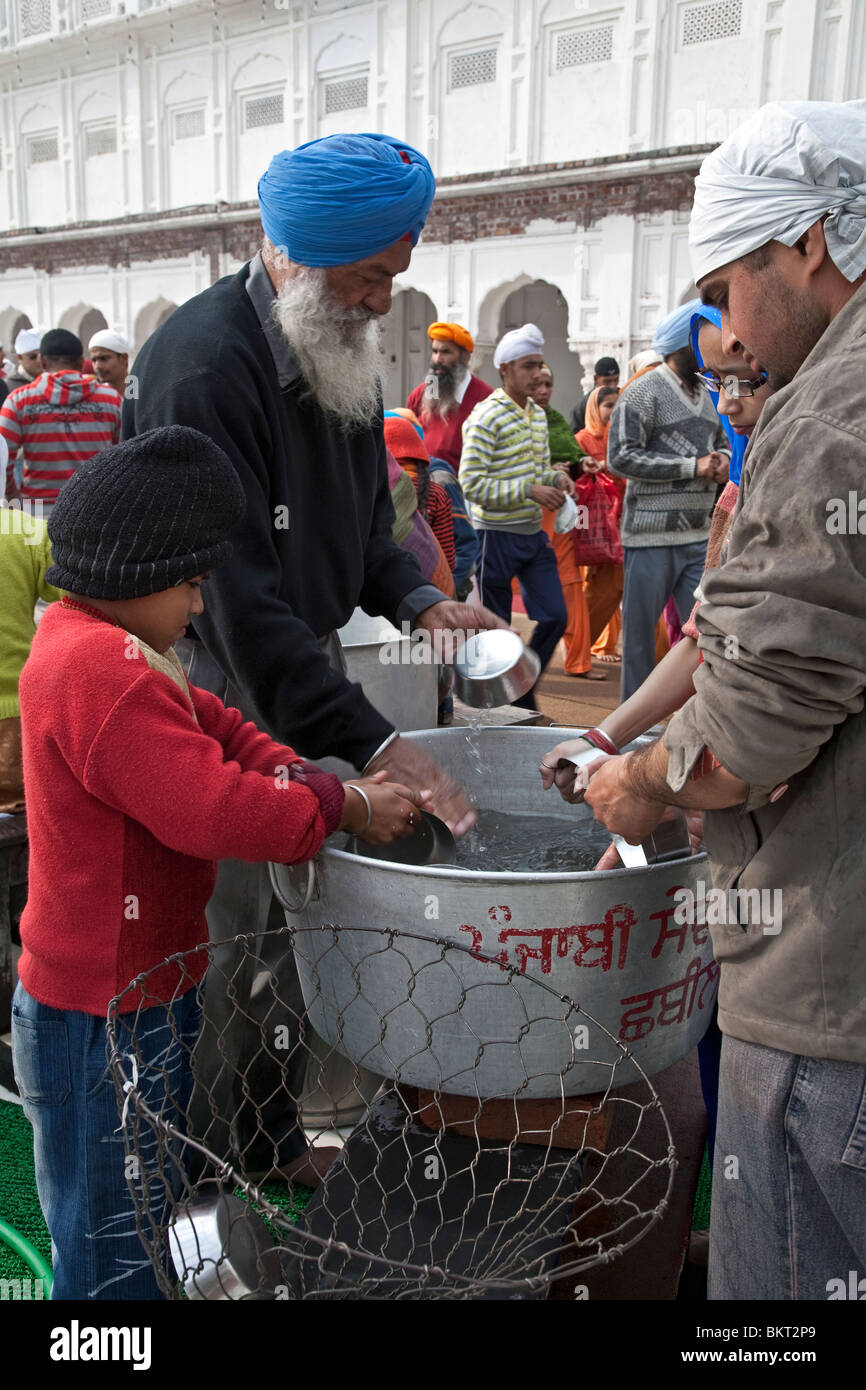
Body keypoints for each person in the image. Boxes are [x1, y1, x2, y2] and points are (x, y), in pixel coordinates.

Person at [122, 132, 504, 1183]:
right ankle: (196, 1172)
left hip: (300, 666)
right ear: (296, 255)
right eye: (370, 275)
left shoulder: (327, 341)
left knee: (303, 928)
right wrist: (382, 745)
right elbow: (239, 610)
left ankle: (268, 1136)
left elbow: (355, 534)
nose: (386, 302)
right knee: (232, 935)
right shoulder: (201, 368)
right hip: (211, 684)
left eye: (395, 277)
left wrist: (421, 597)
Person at [11, 425, 427, 1300]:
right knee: (111, 1234)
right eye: (193, 585)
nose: (201, 606)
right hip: (106, 1019)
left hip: (132, 995)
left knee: (140, 1191)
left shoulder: (112, 645)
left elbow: (213, 723)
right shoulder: (105, 675)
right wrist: (342, 803)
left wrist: (291, 767)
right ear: (138, 574)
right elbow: (211, 809)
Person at [574, 98, 866, 1301]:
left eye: (728, 287)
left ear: (805, 244)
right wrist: (621, 731)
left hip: (825, 984)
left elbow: (746, 728)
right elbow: (727, 633)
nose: (729, 339)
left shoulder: (834, 417)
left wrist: (633, 786)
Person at [607, 299, 730, 701]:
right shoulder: (643, 392)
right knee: (640, 641)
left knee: (703, 634)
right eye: (699, 341)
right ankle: (629, 737)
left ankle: (695, 723)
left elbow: (722, 442)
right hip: (650, 536)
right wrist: (692, 467)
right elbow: (620, 457)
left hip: (698, 534)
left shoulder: (708, 391)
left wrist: (722, 461)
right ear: (682, 345)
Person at [461, 323, 575, 710]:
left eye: (540, 365)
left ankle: (521, 692)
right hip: (493, 535)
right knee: (497, 631)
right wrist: (529, 490)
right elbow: (471, 484)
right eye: (528, 366)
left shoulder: (536, 415)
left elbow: (537, 470)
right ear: (505, 369)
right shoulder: (487, 416)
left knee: (556, 617)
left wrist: (556, 477)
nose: (538, 374)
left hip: (529, 533)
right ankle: (500, 707)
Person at [529, 364, 600, 681]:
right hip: (518, 520)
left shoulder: (556, 421)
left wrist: (580, 462)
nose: (543, 390)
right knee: (498, 597)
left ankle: (578, 661)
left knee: (571, 584)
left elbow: (573, 457)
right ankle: (501, 669)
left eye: (548, 384)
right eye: (537, 384)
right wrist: (545, 470)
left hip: (557, 517)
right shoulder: (510, 421)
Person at [1, 329, 122, 512]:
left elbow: (3, 461)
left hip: (38, 515)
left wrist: (13, 497)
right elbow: (125, 457)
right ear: (82, 363)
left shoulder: (19, 401)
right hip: (95, 512)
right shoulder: (111, 400)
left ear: (42, 361)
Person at [575, 385, 625, 664]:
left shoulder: (621, 439)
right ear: (595, 408)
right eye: (608, 405)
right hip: (592, 526)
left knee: (613, 588)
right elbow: (579, 483)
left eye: (618, 405)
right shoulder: (582, 439)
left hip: (620, 524)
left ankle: (594, 645)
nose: (613, 412)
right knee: (592, 586)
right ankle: (581, 646)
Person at [406, 320, 492, 471]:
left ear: (465, 358)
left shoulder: (484, 398)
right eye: (435, 351)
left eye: (446, 352)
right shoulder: (420, 393)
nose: (438, 359)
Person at [569, 354, 619, 433]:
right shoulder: (583, 405)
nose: (613, 386)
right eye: (607, 381)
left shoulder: (623, 397)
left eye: (616, 380)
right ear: (596, 379)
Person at [88, 328, 130, 396]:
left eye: (103, 358)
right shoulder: (96, 397)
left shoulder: (142, 392)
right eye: (94, 360)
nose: (97, 366)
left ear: (124, 358)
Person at [4, 328, 42, 394]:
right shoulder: (7, 386)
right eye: (33, 356)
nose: (39, 360)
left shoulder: (49, 381)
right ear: (19, 357)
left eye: (42, 356)